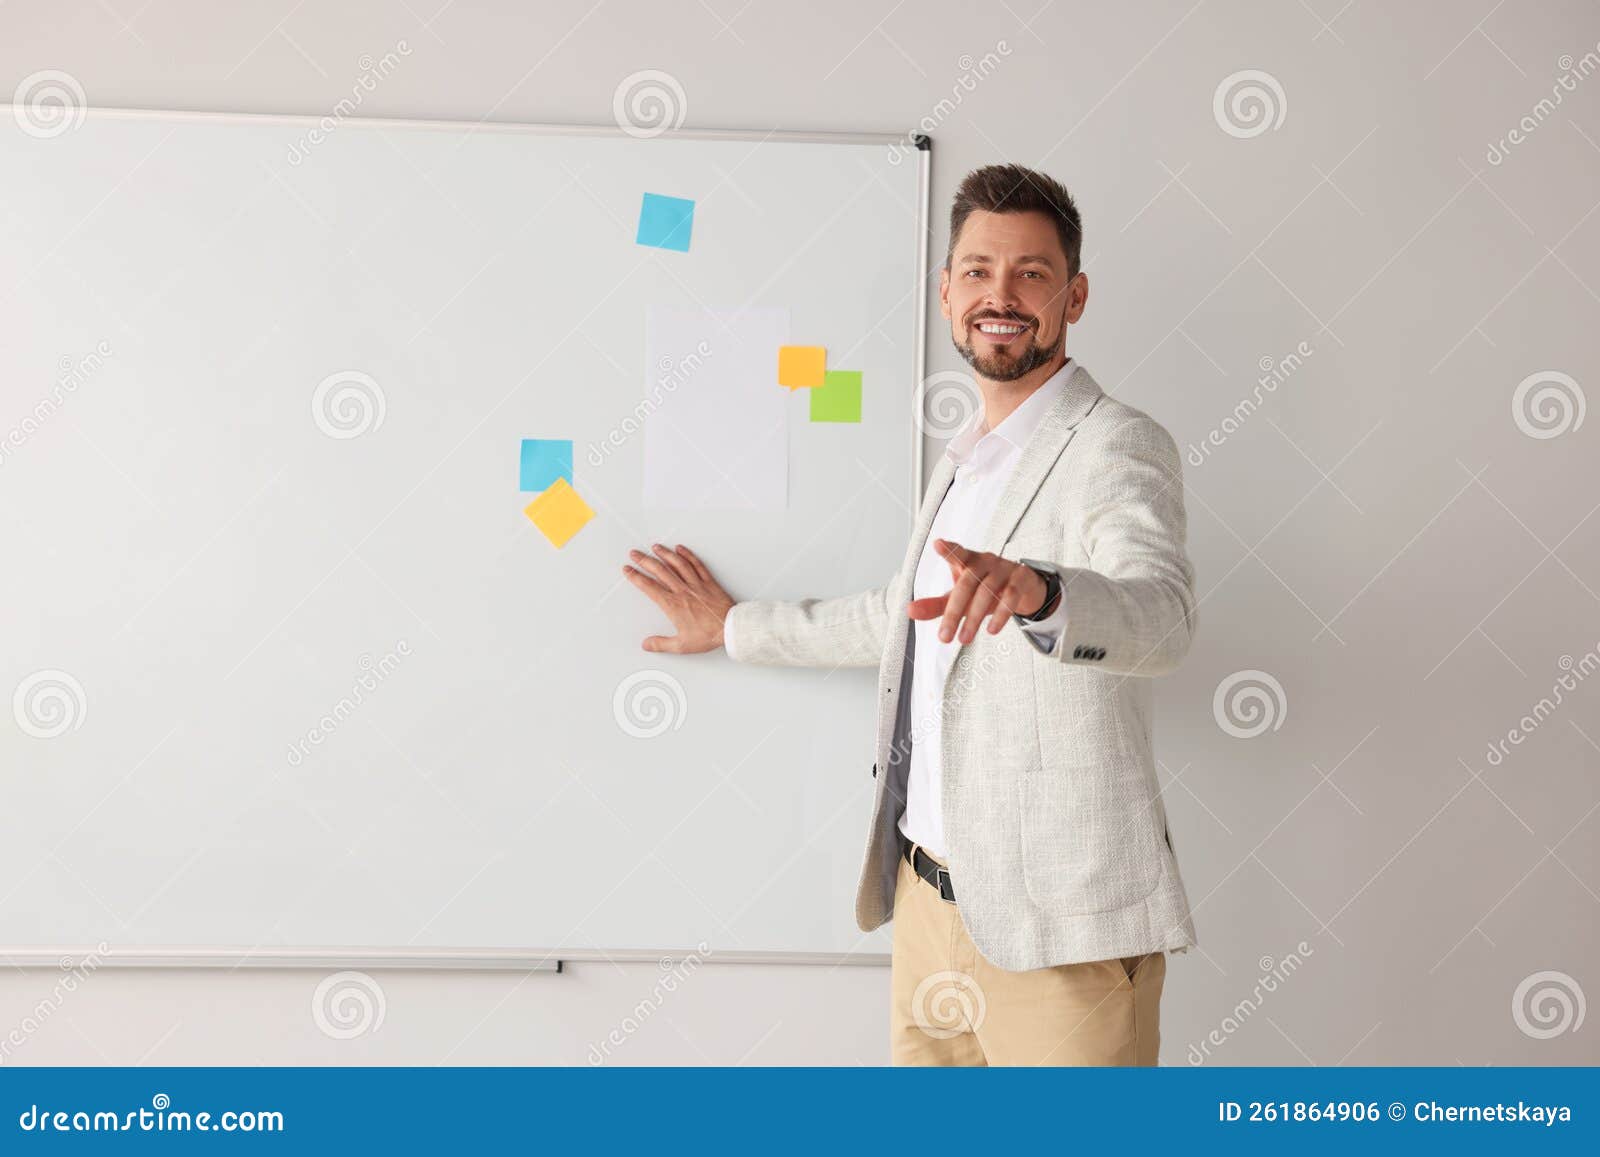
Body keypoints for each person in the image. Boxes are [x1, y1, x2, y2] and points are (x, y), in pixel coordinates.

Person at [622, 163, 1198, 1066]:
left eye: (1032, 273)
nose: (1000, 295)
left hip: (1060, 932)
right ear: (946, 293)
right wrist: (733, 626)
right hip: (929, 908)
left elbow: (1162, 618)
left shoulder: (1115, 443)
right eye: (978, 271)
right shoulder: (965, 458)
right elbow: (905, 614)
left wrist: (1044, 592)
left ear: (1075, 296)